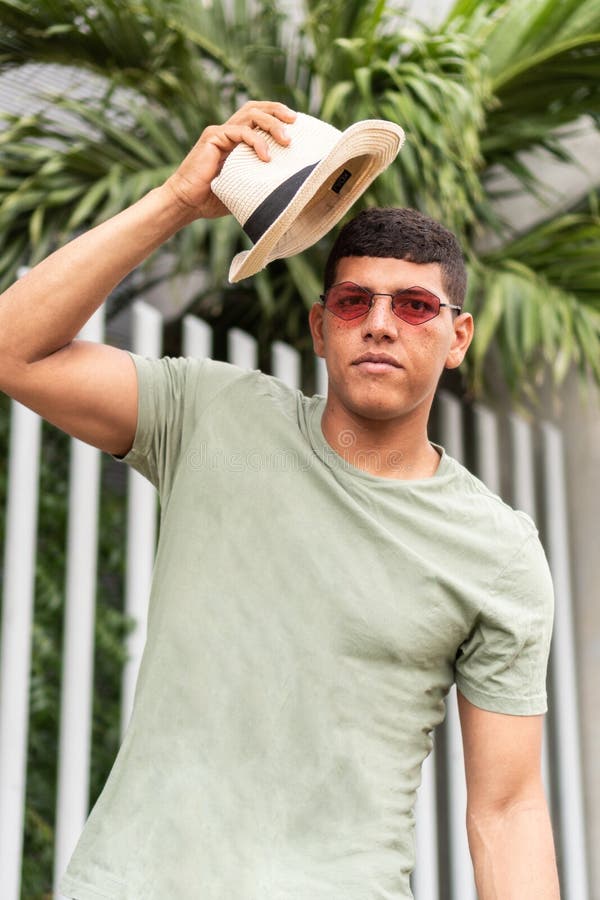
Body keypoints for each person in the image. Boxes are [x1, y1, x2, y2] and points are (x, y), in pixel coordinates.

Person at [0, 101, 559, 899]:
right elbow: (12, 349)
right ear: (319, 326)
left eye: (415, 306)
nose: (380, 324)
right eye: (353, 301)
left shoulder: (499, 550)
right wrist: (177, 202)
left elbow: (506, 811)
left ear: (457, 336)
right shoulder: (209, 413)